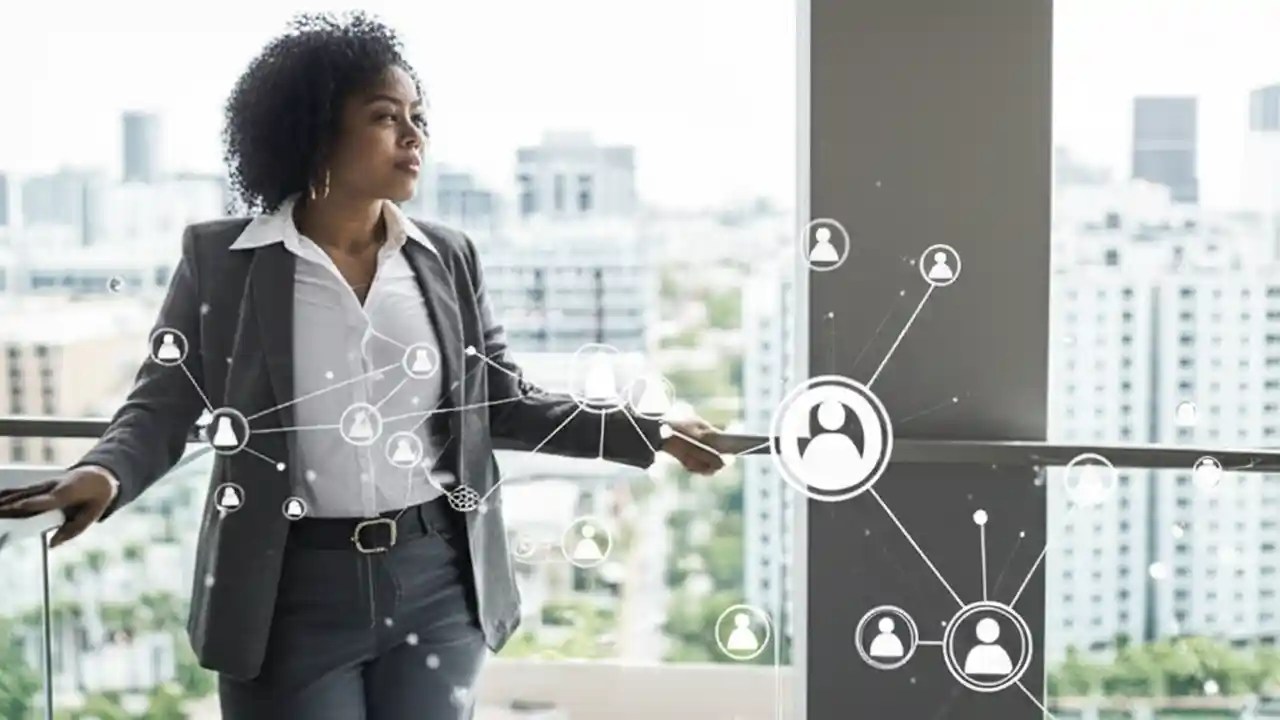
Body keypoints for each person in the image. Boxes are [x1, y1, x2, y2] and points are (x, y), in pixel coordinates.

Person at [0, 11, 728, 719]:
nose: (414, 136)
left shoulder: (447, 257)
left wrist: (652, 432)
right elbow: (164, 402)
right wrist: (106, 471)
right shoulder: (222, 262)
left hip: (438, 577)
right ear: (316, 127)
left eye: (419, 117)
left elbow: (499, 402)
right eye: (387, 116)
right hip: (285, 590)